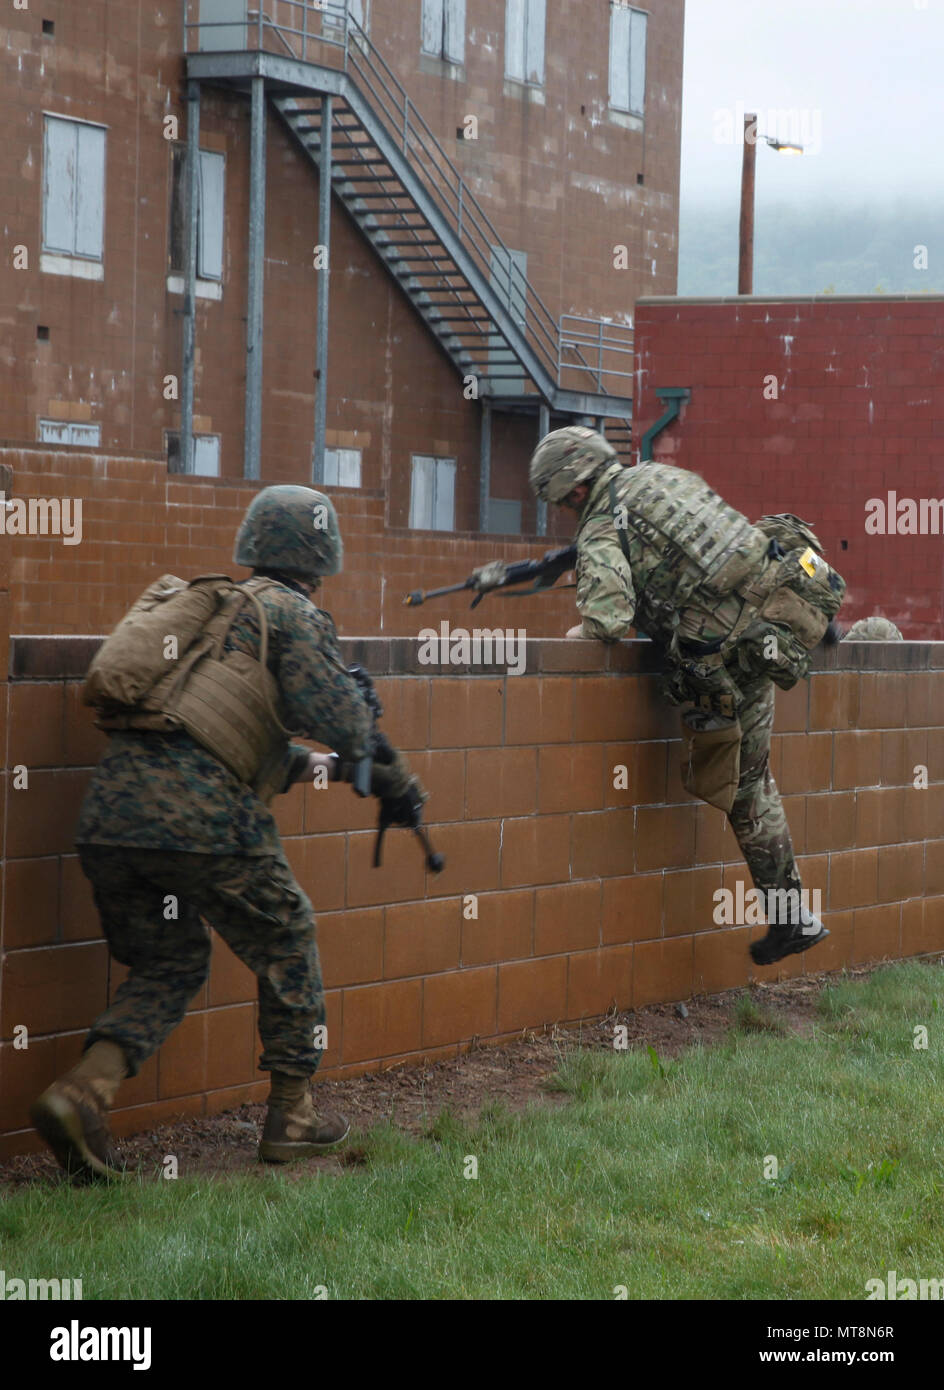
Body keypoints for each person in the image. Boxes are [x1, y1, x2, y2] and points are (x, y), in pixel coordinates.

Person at [30, 485, 424, 1183]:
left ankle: (82, 1091)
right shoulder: (291, 612)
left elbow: (230, 736)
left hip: (112, 819)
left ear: (252, 544)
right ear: (318, 557)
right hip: (205, 819)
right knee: (288, 936)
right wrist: (388, 772)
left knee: (171, 962)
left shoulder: (213, 617)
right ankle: (294, 1116)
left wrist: (335, 769)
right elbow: (348, 725)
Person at [490, 426, 845, 967]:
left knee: (746, 791)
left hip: (724, 656)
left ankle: (793, 919)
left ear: (576, 490)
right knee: (756, 782)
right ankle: (793, 915)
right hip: (771, 622)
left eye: (562, 501)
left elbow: (606, 621)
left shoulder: (603, 526)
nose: (566, 510)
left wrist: (574, 635)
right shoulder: (662, 475)